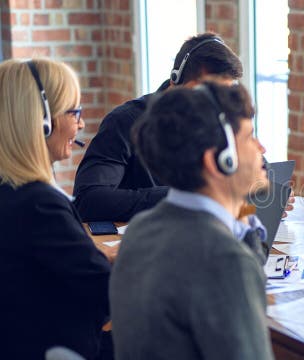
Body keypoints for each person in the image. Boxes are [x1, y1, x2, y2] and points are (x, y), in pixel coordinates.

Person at [110, 83, 274, 359]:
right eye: (250, 137)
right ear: (220, 160)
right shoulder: (225, 260)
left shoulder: (141, 229)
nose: (262, 148)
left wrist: (241, 204)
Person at [0, 58, 112, 359]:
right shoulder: (40, 205)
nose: (82, 123)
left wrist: (90, 254)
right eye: (74, 111)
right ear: (43, 120)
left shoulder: (11, 193)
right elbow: (108, 295)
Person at [73, 33, 243, 222]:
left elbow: (254, 169)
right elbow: (88, 199)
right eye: (210, 95)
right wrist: (181, 197)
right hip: (148, 240)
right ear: (176, 81)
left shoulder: (220, 122)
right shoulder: (124, 122)